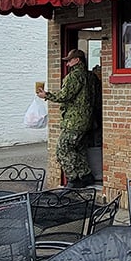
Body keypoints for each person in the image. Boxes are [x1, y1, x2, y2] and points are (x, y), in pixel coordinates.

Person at [38, 49, 93, 187]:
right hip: (87, 120)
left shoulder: (74, 76)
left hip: (74, 121)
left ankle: (73, 180)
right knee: (78, 149)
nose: (67, 64)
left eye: (69, 60)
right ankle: (86, 176)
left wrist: (47, 95)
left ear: (77, 60)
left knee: (62, 149)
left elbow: (64, 96)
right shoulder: (91, 76)